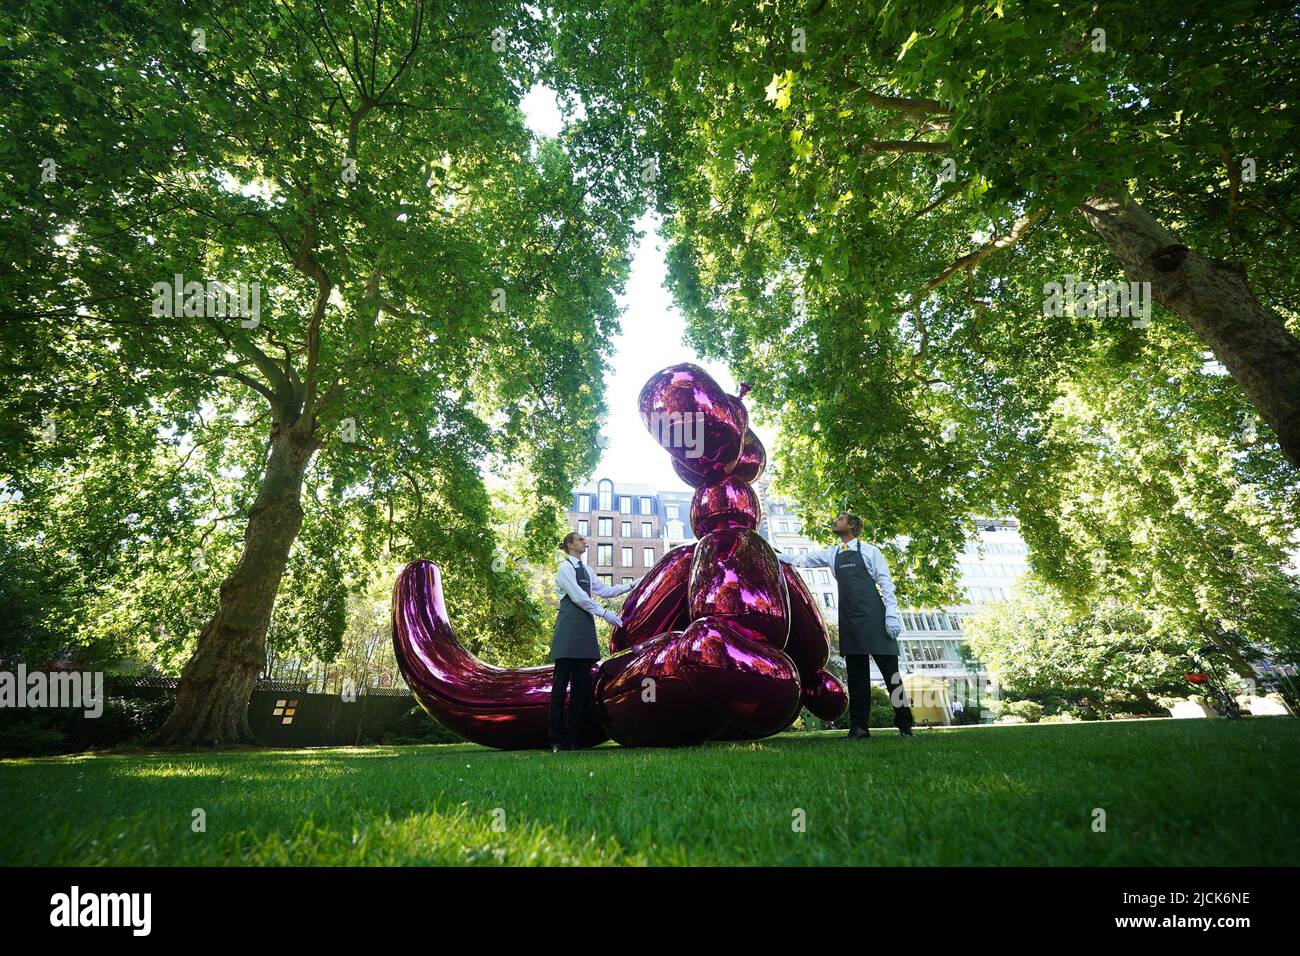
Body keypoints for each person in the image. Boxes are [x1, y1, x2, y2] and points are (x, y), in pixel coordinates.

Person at [778, 512, 915, 739]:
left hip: (876, 619)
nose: (835, 521)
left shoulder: (871, 551)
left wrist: (891, 615)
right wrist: (778, 556)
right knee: (856, 678)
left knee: (892, 676)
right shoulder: (833, 553)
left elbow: (886, 584)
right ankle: (859, 727)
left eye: (840, 519)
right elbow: (804, 560)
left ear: (851, 525)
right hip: (850, 621)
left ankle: (905, 724)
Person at [550, 531, 638, 752]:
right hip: (569, 629)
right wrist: (605, 614)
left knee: (580, 690)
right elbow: (579, 597)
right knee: (560, 689)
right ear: (570, 545)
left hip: (584, 630)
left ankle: (573, 740)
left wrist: (631, 585)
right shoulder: (564, 569)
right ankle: (557, 740)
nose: (584, 542)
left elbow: (605, 591)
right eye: (580, 539)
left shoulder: (588, 570)